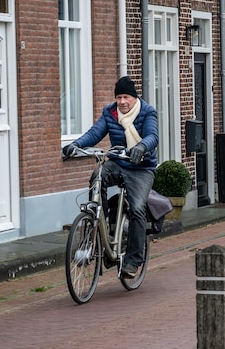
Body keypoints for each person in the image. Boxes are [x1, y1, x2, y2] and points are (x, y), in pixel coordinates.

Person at [62, 76, 159, 278]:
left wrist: (141, 147)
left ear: (134, 98)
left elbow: (152, 136)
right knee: (97, 175)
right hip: (118, 162)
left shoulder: (147, 111)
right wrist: (76, 145)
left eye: (126, 97)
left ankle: (133, 261)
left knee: (138, 208)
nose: (122, 101)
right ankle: (99, 223)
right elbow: (95, 133)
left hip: (141, 168)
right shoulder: (110, 112)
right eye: (118, 97)